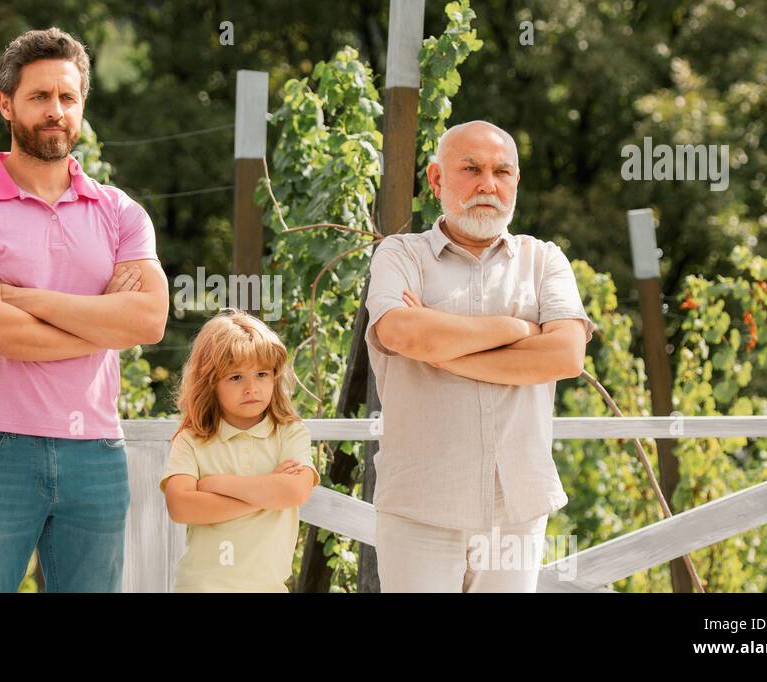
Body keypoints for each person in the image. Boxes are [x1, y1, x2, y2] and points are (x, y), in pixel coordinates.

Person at [0, 27, 168, 592]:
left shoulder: (120, 212)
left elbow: (148, 321)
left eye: (67, 97)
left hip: (97, 455)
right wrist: (101, 323)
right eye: (38, 97)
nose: (55, 111)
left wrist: (24, 299)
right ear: (5, 103)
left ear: (81, 104)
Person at [366, 120, 597, 592]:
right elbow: (406, 335)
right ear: (436, 179)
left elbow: (566, 354)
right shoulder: (400, 255)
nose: (487, 184)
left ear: (515, 182)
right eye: (470, 168)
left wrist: (444, 350)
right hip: (420, 504)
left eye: (502, 172)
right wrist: (515, 329)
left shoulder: (545, 259)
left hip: (515, 504)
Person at [159, 310, 318, 592]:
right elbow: (180, 506)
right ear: (210, 383)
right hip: (201, 586)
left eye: (261, 374)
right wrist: (267, 493)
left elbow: (294, 492)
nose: (251, 388)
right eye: (235, 377)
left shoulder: (289, 433)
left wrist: (218, 485)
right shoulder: (192, 439)